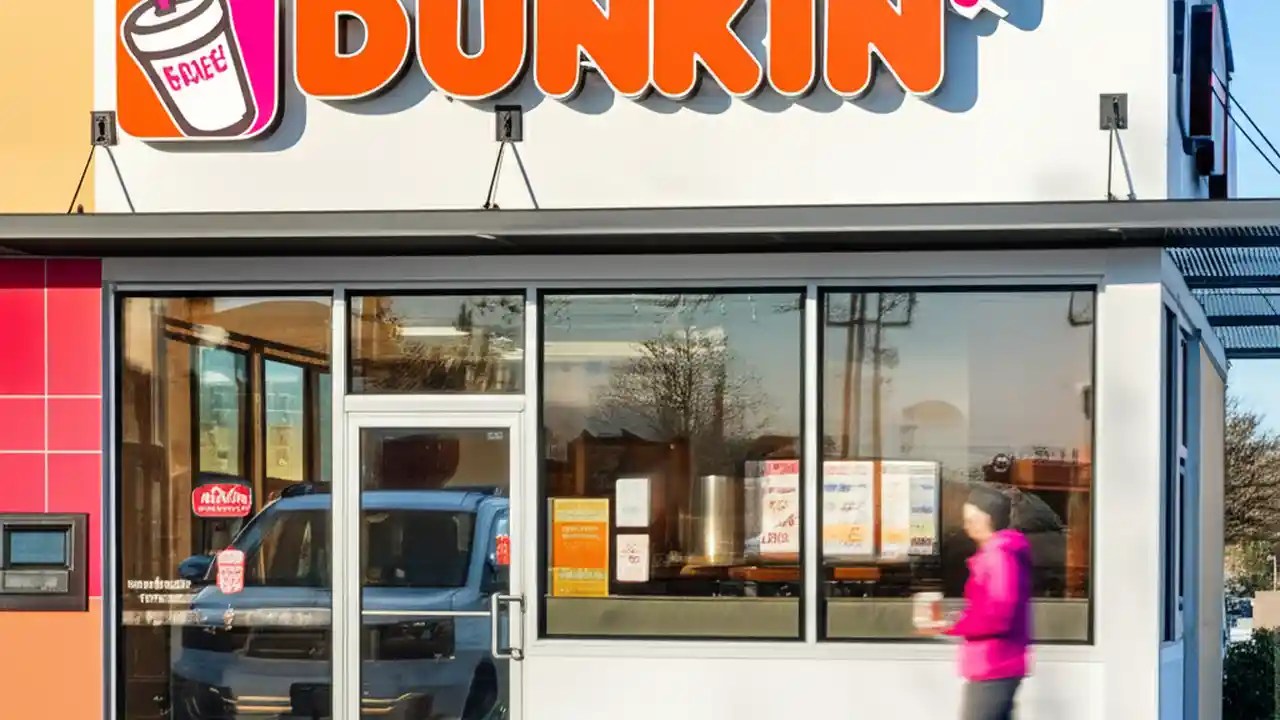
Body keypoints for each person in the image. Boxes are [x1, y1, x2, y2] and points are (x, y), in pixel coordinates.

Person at [939, 484, 1033, 720]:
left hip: (993, 665)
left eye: (971, 520)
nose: (966, 526)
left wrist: (953, 625)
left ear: (987, 519)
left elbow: (998, 615)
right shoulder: (998, 553)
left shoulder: (999, 556)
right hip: (997, 664)